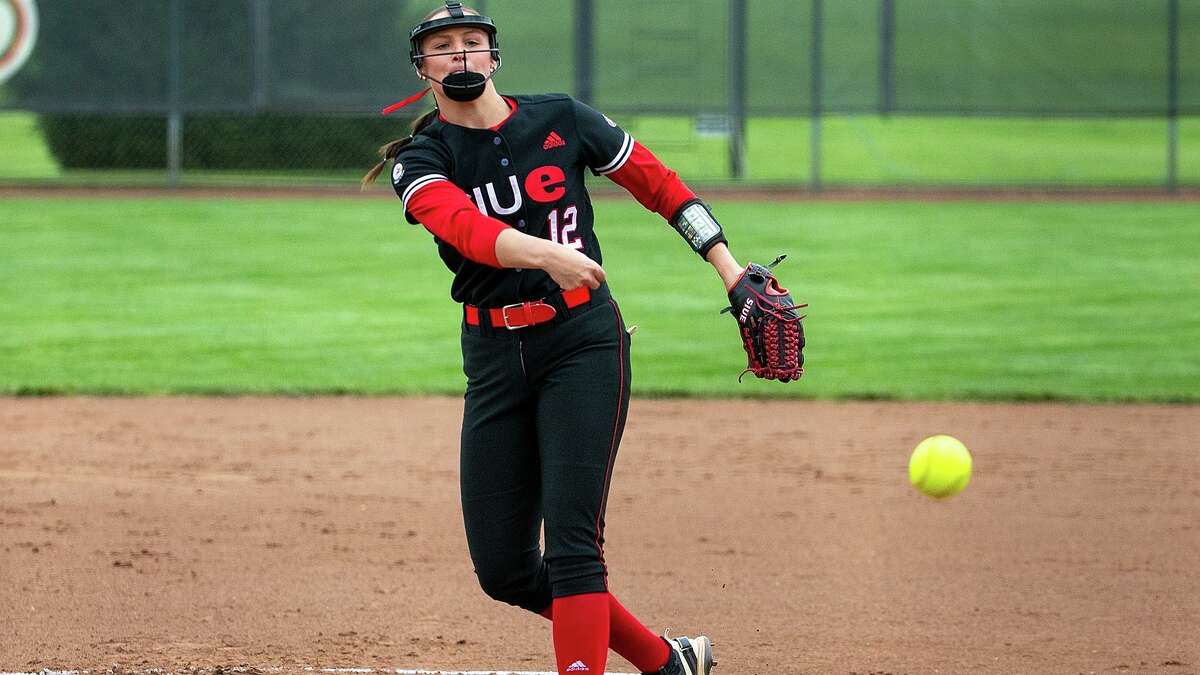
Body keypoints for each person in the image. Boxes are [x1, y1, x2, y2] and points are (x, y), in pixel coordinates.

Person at [363, 3, 747, 674]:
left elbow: (659, 186)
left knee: (574, 547)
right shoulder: (422, 160)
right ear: (421, 69)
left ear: (494, 56)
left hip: (582, 344)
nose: (460, 56)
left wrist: (728, 267)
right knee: (504, 568)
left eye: (473, 43)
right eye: (442, 47)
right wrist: (542, 252)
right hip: (492, 358)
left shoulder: (562, 118)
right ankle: (666, 661)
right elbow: (463, 227)